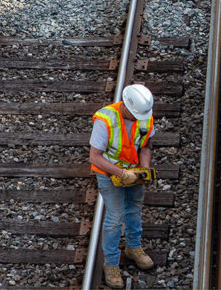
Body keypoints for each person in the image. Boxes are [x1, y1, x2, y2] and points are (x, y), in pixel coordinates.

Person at [89, 84, 157, 288]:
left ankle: (133, 248)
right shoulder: (105, 119)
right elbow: (95, 157)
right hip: (109, 174)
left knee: (134, 210)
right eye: (135, 115)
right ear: (126, 106)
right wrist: (120, 173)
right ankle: (111, 264)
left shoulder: (145, 115)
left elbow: (145, 145)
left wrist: (143, 169)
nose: (138, 119)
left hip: (133, 172)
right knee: (115, 217)